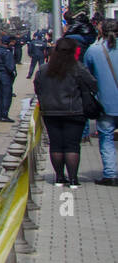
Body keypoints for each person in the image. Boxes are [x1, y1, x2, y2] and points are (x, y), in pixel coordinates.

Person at [35, 38, 100, 188]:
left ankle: (59, 178)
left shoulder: (44, 69)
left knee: (56, 144)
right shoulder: (78, 68)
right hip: (75, 112)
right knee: (72, 145)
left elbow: (38, 88)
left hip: (50, 112)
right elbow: (94, 85)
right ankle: (73, 180)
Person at [84, 19, 118, 186]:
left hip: (105, 103)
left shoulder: (94, 50)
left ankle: (110, 175)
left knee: (106, 138)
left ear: (101, 31)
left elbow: (87, 75)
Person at [0, 35, 17, 123]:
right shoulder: (7, 52)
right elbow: (10, 67)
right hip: (5, 75)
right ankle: (4, 115)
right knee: (6, 96)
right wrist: (13, 74)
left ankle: (0, 115)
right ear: (7, 43)